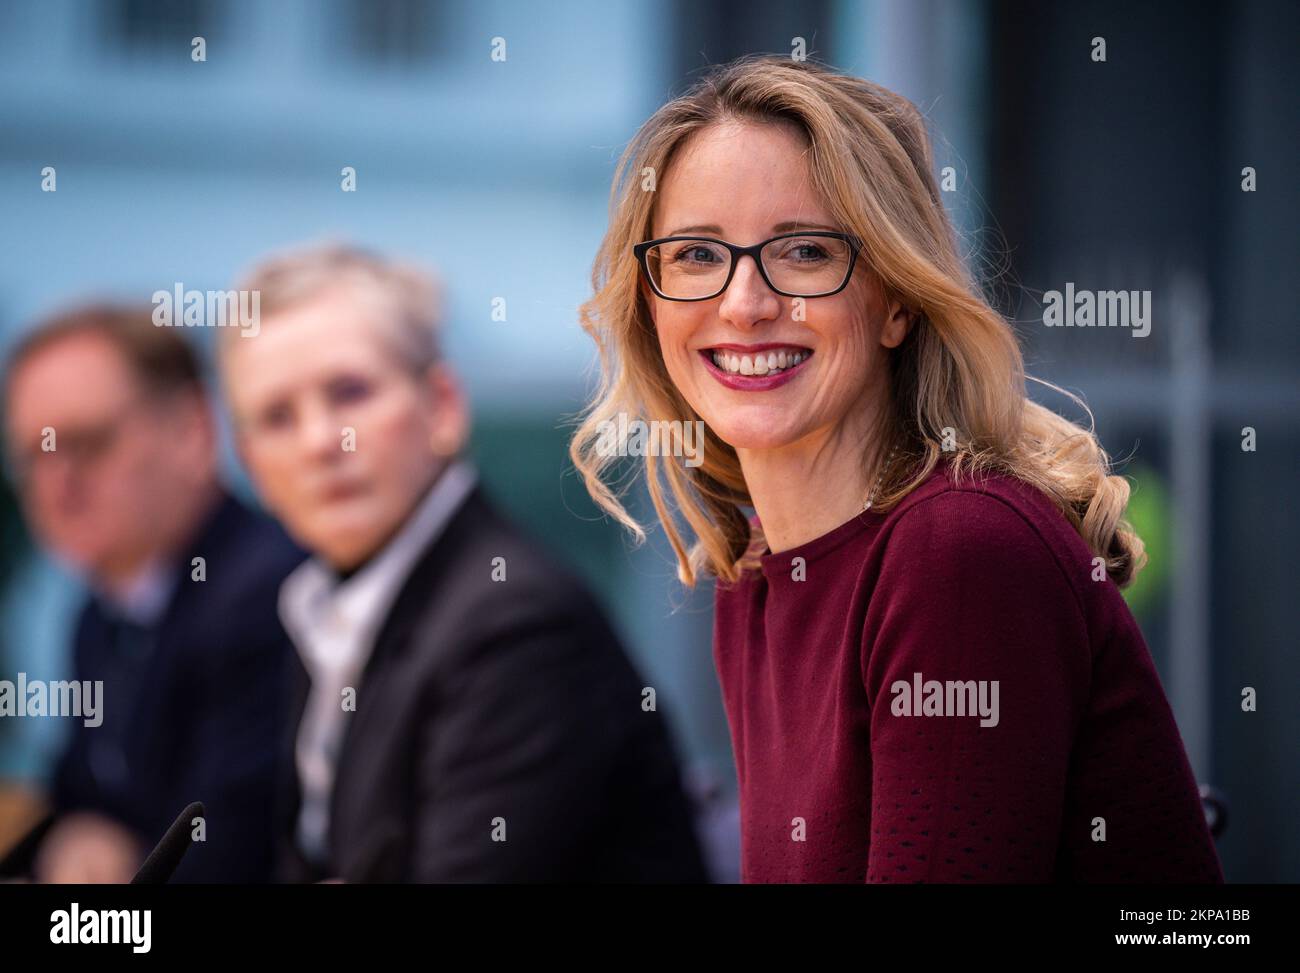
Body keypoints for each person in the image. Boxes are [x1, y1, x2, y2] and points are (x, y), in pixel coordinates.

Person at [568, 55, 1225, 883]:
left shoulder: (957, 554)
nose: (744, 303)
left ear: (896, 300)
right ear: (650, 296)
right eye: (697, 255)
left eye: (804, 251)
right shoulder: (756, 577)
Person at [218, 243, 708, 882]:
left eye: (350, 392)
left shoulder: (516, 622)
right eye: (277, 417)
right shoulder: (328, 605)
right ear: (249, 459)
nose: (319, 442)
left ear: (442, 407)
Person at [1, 305, 303, 882]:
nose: (55, 481)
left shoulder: (270, 597)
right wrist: (74, 835)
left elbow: (223, 859)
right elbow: (78, 797)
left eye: (85, 442)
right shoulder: (99, 610)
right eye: (33, 454)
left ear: (192, 433)